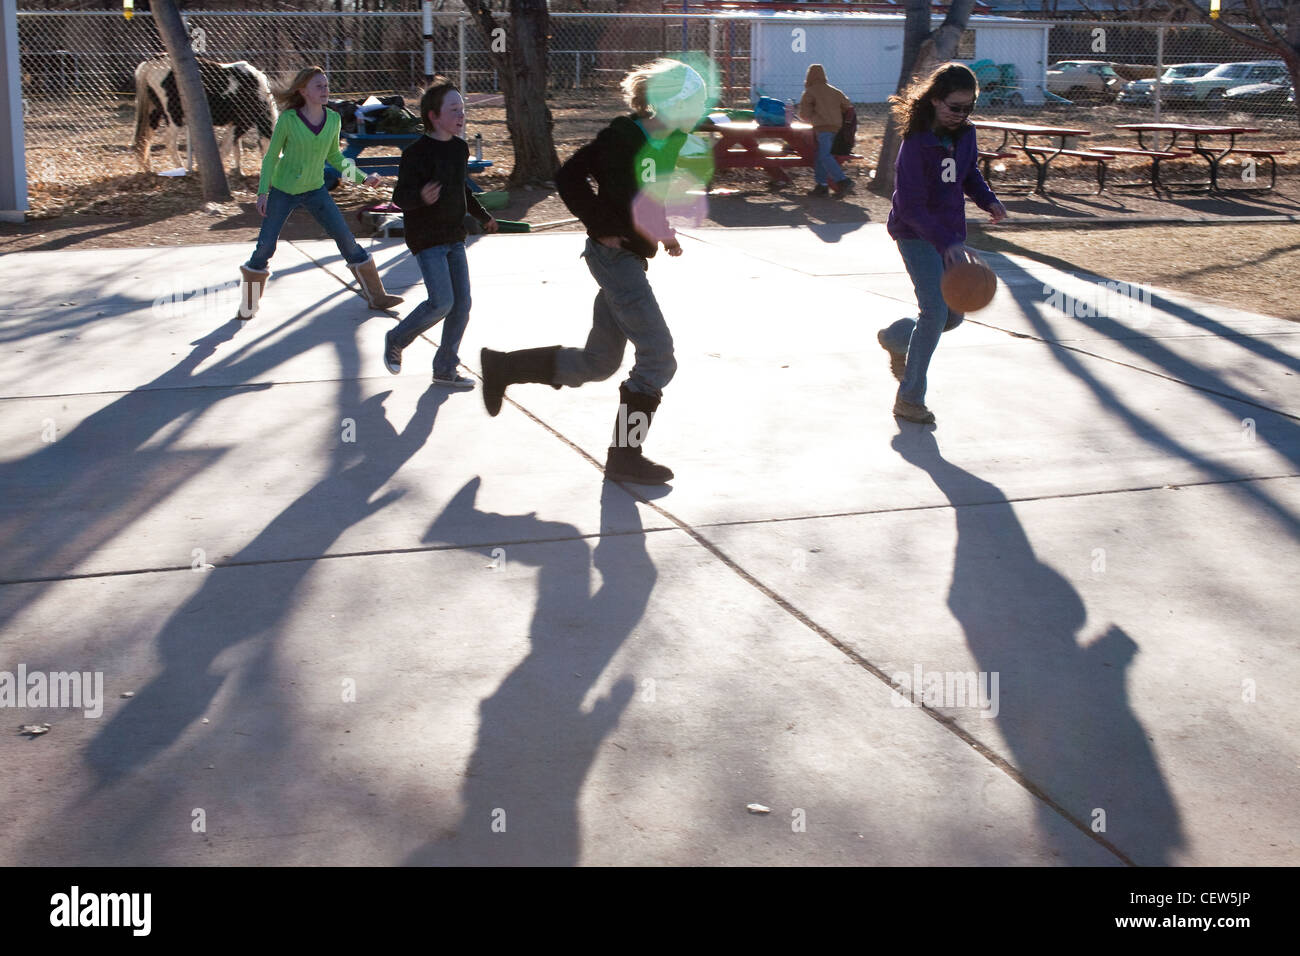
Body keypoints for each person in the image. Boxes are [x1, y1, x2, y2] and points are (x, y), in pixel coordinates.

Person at [478, 58, 707, 486]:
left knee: (599, 362)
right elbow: (569, 176)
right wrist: (600, 225)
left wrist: (664, 232)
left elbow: (648, 194)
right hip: (614, 260)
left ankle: (503, 368)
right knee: (658, 357)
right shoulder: (621, 136)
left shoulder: (669, 140)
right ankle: (625, 455)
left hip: (630, 259)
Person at [878, 62, 1007, 425]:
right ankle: (909, 399)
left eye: (969, 107)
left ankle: (896, 337)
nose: (962, 115)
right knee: (934, 311)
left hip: (949, 236)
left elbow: (968, 173)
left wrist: (988, 200)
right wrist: (947, 243)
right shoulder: (916, 144)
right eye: (955, 107)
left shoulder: (966, 134)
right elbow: (911, 206)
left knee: (952, 316)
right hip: (915, 234)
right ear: (935, 101)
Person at [238, 66, 401, 320]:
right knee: (265, 247)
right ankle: (248, 304)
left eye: (326, 85)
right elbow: (271, 157)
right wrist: (263, 193)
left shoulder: (333, 119)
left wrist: (362, 178)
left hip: (316, 190)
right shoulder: (289, 120)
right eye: (319, 86)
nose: (325, 90)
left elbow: (335, 157)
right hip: (283, 190)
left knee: (346, 240)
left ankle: (377, 297)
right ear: (303, 91)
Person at [384, 77, 497, 388]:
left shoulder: (459, 149)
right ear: (434, 116)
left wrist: (483, 216)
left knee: (462, 305)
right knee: (442, 302)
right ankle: (396, 338)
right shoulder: (416, 154)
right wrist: (421, 197)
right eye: (453, 109)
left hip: (453, 236)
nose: (461, 115)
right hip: (426, 239)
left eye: (462, 108)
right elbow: (399, 199)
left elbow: (461, 188)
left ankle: (445, 367)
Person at [798, 64, 854, 198]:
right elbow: (848, 106)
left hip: (823, 129)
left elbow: (804, 114)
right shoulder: (835, 91)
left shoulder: (810, 92)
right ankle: (821, 185)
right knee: (820, 156)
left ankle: (843, 180)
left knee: (824, 156)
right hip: (838, 129)